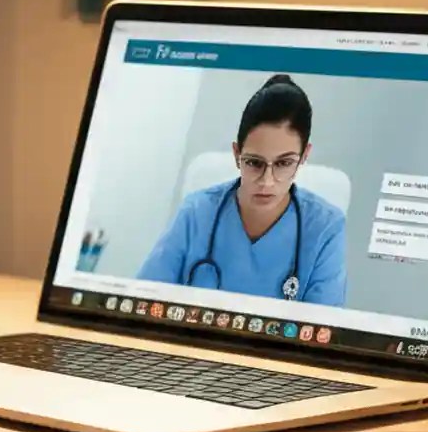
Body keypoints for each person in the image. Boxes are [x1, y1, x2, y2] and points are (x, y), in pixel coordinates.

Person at [137, 74, 347, 305]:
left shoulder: (326, 229)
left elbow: (321, 332)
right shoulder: (196, 212)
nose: (267, 181)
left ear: (304, 156)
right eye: (254, 163)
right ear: (237, 155)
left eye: (283, 163)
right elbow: (143, 301)